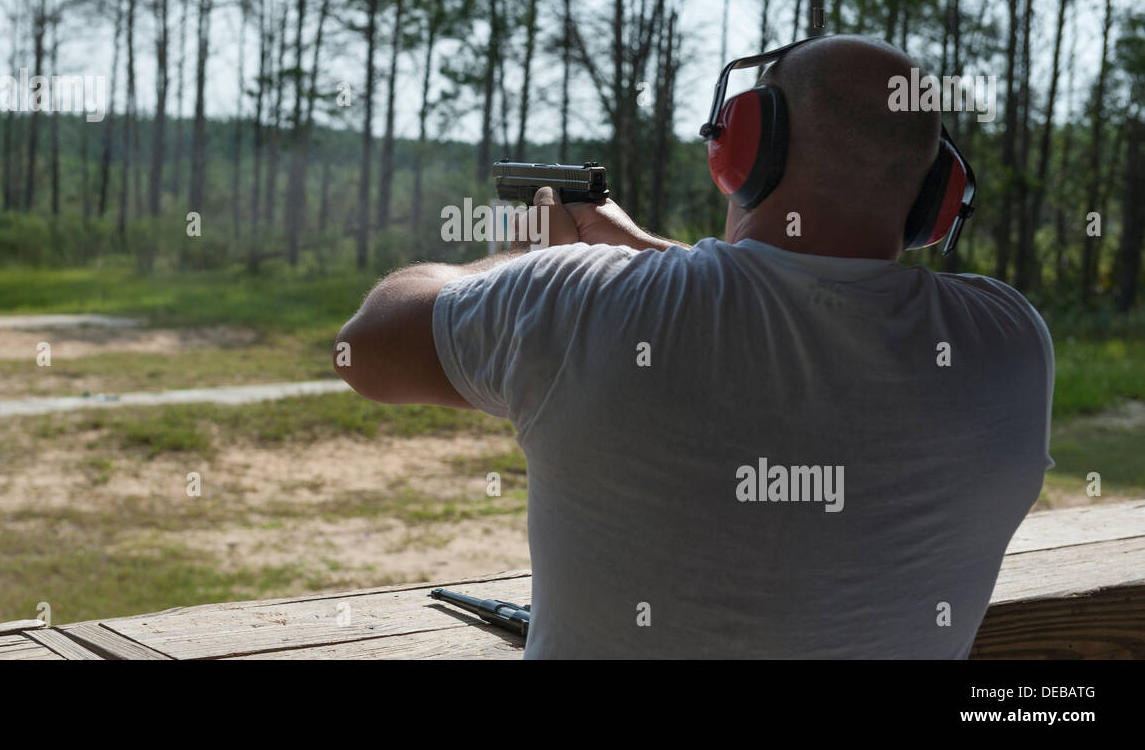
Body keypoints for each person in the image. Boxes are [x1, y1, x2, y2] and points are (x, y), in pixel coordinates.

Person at [335, 34, 1054, 658]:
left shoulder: (575, 300)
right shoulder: (1009, 340)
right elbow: (809, 308)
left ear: (743, 146)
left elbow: (367, 348)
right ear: (935, 198)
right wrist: (646, 252)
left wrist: (518, 265)